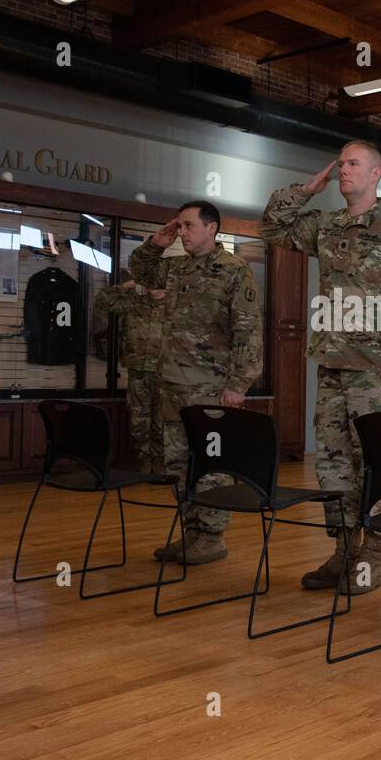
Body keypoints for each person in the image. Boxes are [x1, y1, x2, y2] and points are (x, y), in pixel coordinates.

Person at [260, 140, 381, 594]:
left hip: (377, 372)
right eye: (339, 164)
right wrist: (307, 188)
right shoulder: (326, 224)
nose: (343, 171)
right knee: (333, 468)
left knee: (377, 462)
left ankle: (371, 558)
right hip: (333, 367)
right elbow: (273, 227)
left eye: (353, 164)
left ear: (376, 173)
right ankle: (342, 552)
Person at [129, 200, 264, 564]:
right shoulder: (176, 268)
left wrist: (239, 384)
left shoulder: (234, 271)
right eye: (180, 226)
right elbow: (141, 271)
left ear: (212, 229)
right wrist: (157, 242)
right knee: (177, 465)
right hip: (172, 384)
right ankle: (191, 533)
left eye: (189, 226)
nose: (183, 233)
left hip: (211, 388)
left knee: (211, 466)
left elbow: (248, 332)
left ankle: (212, 536)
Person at [93, 271, 166, 474]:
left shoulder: (176, 307)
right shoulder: (135, 303)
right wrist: (125, 286)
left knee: (163, 418)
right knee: (139, 417)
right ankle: (145, 458)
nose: (154, 284)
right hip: (138, 371)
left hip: (165, 372)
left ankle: (160, 460)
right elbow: (103, 302)